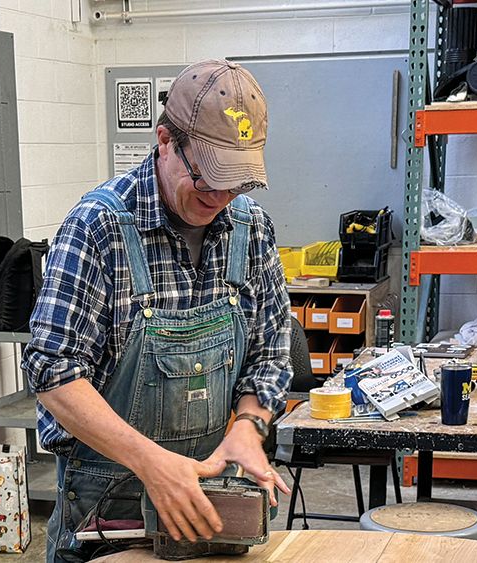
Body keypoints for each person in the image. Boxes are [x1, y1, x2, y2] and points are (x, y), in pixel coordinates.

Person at [24, 59, 293, 562]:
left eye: (237, 183)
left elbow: (271, 352)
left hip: (214, 512)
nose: (221, 196)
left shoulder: (250, 228)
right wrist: (152, 463)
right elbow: (52, 372)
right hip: (110, 513)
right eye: (208, 177)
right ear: (166, 140)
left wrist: (246, 428)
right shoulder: (98, 229)